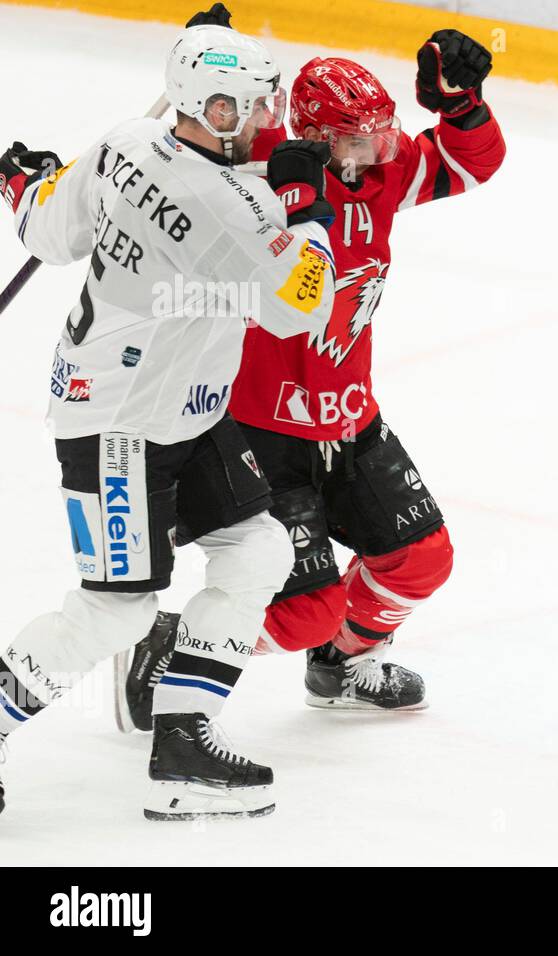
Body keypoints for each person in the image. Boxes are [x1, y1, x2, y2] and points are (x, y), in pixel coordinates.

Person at [119, 4, 505, 728]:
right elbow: (173, 148)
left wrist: (461, 103)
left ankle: (343, 663)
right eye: (364, 138)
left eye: (384, 130)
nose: (385, 146)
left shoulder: (384, 176)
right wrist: (202, 62)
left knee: (422, 558)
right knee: (299, 611)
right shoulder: (258, 168)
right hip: (258, 432)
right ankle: (174, 646)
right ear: (320, 141)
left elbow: (470, 159)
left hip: (349, 420)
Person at [0, 20, 337, 819]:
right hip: (119, 425)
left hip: (181, 411)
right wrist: (306, 206)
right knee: (117, 608)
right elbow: (301, 304)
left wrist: (28, 181)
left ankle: (183, 744)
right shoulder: (226, 202)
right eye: (251, 108)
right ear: (211, 107)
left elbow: (49, 229)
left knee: (257, 552)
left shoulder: (127, 142)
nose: (264, 121)